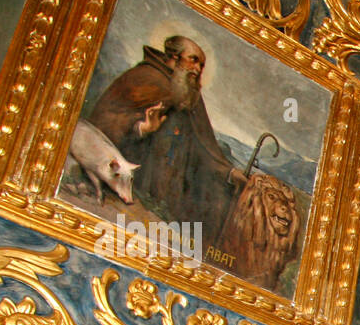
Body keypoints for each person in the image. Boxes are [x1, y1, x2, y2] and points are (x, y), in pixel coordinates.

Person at [91, 35, 246, 232]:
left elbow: (204, 146)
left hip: (173, 188)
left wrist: (229, 173)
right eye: (193, 60)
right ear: (174, 56)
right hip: (138, 182)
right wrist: (140, 129)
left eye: (202, 65)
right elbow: (107, 120)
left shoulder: (190, 96)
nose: (197, 70)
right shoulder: (145, 78)